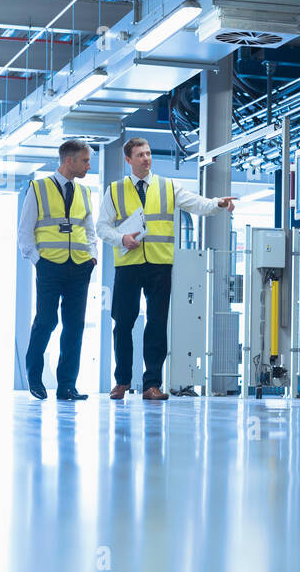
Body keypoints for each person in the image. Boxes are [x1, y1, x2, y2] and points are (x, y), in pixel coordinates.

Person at [97, 137, 236, 400]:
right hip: (128, 263)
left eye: (148, 153)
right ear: (128, 160)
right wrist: (121, 239)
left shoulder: (168, 186)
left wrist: (216, 203)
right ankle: (122, 382)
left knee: (157, 323)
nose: (146, 158)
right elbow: (101, 227)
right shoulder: (114, 190)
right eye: (140, 155)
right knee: (123, 324)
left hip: (159, 264)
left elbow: (196, 203)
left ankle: (152, 384)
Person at [18, 140, 97, 400]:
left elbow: (89, 230)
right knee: (46, 321)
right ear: (68, 161)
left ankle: (66, 386)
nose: (88, 165)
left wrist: (92, 257)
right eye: (84, 161)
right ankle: (35, 378)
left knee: (74, 326)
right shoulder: (38, 188)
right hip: (49, 266)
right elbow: (25, 232)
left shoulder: (85, 192)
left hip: (79, 266)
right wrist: (38, 260)